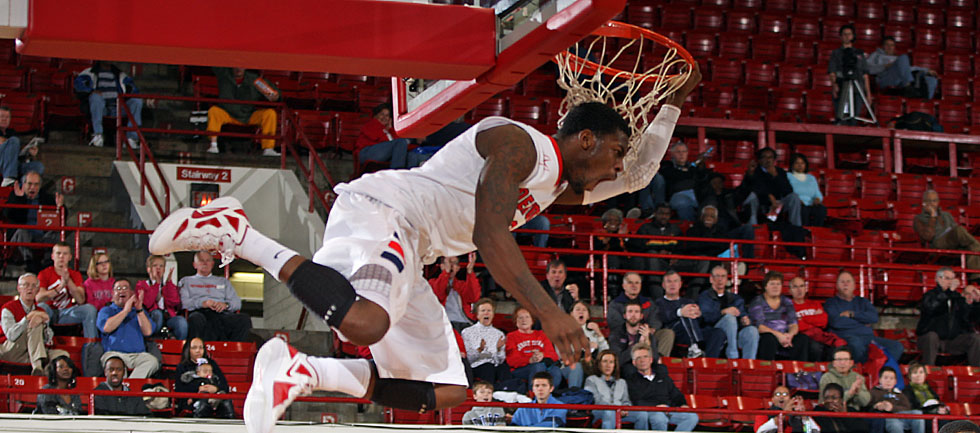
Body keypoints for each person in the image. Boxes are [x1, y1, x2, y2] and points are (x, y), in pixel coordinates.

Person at [148, 66, 700, 433]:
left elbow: (639, 173)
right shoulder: (517, 143)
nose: (617, 165)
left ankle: (306, 372)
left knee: (446, 390)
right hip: (384, 211)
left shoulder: (559, 179)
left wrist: (672, 101)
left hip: (417, 245)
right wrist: (552, 313)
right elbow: (489, 236)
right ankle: (239, 234)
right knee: (364, 324)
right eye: (614, 151)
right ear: (586, 139)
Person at [824, 270, 904, 363]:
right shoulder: (831, 303)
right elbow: (836, 322)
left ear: (854, 285)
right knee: (856, 344)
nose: (845, 284)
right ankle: (859, 372)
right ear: (837, 286)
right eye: (842, 282)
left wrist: (852, 314)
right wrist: (862, 322)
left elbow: (874, 318)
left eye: (848, 281)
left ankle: (882, 373)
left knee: (897, 346)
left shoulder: (863, 302)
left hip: (868, 338)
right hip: (846, 337)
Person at [0, 273, 66, 375]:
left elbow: (47, 340)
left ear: (37, 290)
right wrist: (28, 318)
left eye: (34, 286)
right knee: (35, 323)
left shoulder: (40, 311)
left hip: (30, 353)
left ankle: (42, 373)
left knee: (62, 355)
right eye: (25, 285)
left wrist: (45, 325)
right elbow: (11, 335)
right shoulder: (8, 309)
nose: (30, 288)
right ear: (19, 288)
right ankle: (38, 367)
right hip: (10, 350)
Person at [178, 251, 252, 342]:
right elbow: (184, 303)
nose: (205, 263)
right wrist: (202, 303)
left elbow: (237, 303)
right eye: (201, 260)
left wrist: (226, 305)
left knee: (244, 319)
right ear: (194, 264)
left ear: (212, 264)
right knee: (196, 319)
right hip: (200, 312)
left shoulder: (223, 282)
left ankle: (231, 348)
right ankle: (199, 349)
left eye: (208, 260)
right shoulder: (186, 281)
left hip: (221, 313)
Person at [206, 67, 280, 156]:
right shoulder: (224, 74)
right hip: (228, 114)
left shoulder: (255, 80)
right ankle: (213, 145)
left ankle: (268, 148)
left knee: (270, 113)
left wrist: (274, 96)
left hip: (248, 115)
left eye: (241, 67)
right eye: (236, 67)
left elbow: (274, 96)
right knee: (214, 111)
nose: (238, 69)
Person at [625, 343, 699, 431]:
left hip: (668, 409)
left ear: (651, 359)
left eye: (645, 357)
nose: (642, 360)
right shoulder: (631, 381)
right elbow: (637, 402)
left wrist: (683, 404)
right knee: (659, 418)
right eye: (638, 358)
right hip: (650, 411)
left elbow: (676, 394)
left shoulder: (663, 377)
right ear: (634, 362)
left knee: (692, 417)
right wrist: (657, 406)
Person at [96, 279, 159, 379]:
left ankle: (129, 388)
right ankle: (125, 389)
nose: (122, 291)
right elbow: (106, 328)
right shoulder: (106, 311)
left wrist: (139, 310)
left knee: (152, 361)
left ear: (131, 293)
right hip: (114, 354)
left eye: (125, 288)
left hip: (137, 355)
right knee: (115, 364)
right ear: (113, 294)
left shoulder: (139, 312)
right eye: (118, 289)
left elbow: (148, 332)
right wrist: (125, 311)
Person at [917, 267, 980, 366]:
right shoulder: (929, 295)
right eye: (947, 278)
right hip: (931, 340)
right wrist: (948, 292)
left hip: (952, 341)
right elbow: (932, 308)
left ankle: (976, 374)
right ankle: (928, 370)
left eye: (952, 279)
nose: (950, 282)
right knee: (931, 337)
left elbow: (970, 317)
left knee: (975, 338)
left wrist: (977, 302)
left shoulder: (957, 298)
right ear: (937, 279)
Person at [656, 270, 726, 358]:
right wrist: (680, 312)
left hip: (695, 331)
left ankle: (709, 361)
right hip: (675, 332)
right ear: (663, 285)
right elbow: (664, 317)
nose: (672, 284)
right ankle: (695, 345)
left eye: (675, 281)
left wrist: (699, 314)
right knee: (686, 315)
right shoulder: (659, 302)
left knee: (718, 332)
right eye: (669, 281)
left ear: (680, 284)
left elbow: (700, 321)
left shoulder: (689, 301)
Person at [73, 61, 142, 149]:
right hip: (101, 108)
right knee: (95, 97)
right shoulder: (89, 72)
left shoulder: (120, 75)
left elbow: (133, 89)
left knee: (136, 101)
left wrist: (128, 92)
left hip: (118, 107)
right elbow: (78, 84)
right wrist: (91, 91)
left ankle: (131, 139)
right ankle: (98, 135)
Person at [4, 171, 64, 272]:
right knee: (22, 231)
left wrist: (60, 207)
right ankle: (29, 261)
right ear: (24, 184)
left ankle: (48, 262)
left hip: (41, 235)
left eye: (36, 184)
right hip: (21, 236)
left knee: (55, 233)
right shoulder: (15, 196)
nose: (33, 187)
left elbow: (59, 219)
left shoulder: (47, 198)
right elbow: (8, 215)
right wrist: (19, 199)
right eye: (30, 184)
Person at [606, 272, 675, 358]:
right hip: (626, 336)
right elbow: (615, 324)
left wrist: (651, 329)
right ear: (624, 286)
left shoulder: (648, 302)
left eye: (637, 283)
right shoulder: (615, 304)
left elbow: (656, 319)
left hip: (648, 334)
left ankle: (658, 360)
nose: (634, 285)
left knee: (667, 334)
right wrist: (636, 331)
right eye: (630, 282)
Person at [37, 243, 98, 339]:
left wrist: (68, 280)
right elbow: (39, 298)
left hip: (68, 312)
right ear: (52, 256)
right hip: (50, 312)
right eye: (58, 253)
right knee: (41, 307)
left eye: (65, 254)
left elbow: (80, 300)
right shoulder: (44, 274)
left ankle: (91, 347)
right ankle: (42, 344)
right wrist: (59, 287)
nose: (61, 257)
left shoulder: (75, 275)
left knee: (90, 309)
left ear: (70, 257)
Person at [698, 265, 759, 360]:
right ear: (711, 279)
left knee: (752, 331)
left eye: (723, 276)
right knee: (729, 318)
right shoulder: (705, 296)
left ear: (727, 279)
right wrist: (723, 312)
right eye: (717, 276)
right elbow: (706, 317)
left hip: (735, 333)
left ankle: (749, 364)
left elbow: (742, 313)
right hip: (713, 330)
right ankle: (732, 355)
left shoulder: (735, 298)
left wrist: (745, 320)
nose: (720, 279)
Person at [914, 190, 980, 276]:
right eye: (929, 201)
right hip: (937, 243)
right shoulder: (919, 218)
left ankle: (975, 277)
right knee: (960, 230)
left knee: (972, 248)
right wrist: (932, 217)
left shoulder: (946, 215)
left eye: (934, 201)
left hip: (952, 243)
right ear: (924, 203)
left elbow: (955, 231)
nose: (932, 203)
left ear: (938, 202)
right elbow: (928, 237)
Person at [749, 271, 811, 361]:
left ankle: (797, 372)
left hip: (785, 336)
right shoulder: (757, 302)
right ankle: (767, 370)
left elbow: (793, 324)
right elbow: (759, 326)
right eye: (772, 284)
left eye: (778, 284)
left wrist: (790, 335)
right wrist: (779, 335)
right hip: (768, 335)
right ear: (765, 286)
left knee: (802, 339)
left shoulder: (786, 301)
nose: (775, 287)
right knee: (768, 339)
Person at [790, 276, 847, 362]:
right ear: (790, 290)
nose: (799, 290)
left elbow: (823, 321)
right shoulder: (788, 306)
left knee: (839, 347)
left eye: (802, 286)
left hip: (819, 335)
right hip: (802, 338)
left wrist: (803, 318)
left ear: (806, 289)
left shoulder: (815, 303)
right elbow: (797, 326)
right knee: (815, 347)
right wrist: (814, 319)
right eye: (795, 287)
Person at [742, 147, 803, 227]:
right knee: (752, 196)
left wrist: (776, 176)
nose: (768, 160)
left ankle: (796, 227)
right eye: (764, 157)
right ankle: (754, 226)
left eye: (770, 157)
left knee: (794, 197)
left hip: (778, 203)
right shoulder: (755, 171)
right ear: (759, 160)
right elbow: (754, 188)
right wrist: (769, 196)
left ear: (774, 160)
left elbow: (788, 190)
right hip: (760, 201)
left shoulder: (780, 172)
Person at [505, 307, 562, 389]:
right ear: (515, 321)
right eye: (520, 317)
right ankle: (533, 396)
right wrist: (530, 360)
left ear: (532, 320)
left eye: (527, 317)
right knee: (538, 366)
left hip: (543, 366)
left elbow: (554, 356)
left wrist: (542, 355)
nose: (524, 320)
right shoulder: (511, 336)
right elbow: (512, 360)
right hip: (521, 369)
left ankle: (548, 396)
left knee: (555, 370)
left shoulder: (542, 334)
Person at [654, 141, 711, 221]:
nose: (682, 154)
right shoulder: (667, 165)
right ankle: (690, 227)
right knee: (683, 202)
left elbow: (702, 179)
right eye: (678, 152)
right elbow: (677, 175)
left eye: (684, 151)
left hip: (696, 195)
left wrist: (700, 167)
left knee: (710, 203)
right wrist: (691, 170)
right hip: (677, 195)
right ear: (672, 154)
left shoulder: (692, 167)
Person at [867, 36, 938, 99]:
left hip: (900, 80)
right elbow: (867, 69)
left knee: (931, 79)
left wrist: (926, 70)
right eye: (887, 45)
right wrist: (885, 66)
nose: (889, 47)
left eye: (892, 45)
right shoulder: (876, 55)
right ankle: (908, 86)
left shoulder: (897, 58)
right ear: (883, 46)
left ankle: (925, 102)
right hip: (884, 79)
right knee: (904, 57)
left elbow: (908, 68)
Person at [828, 24, 872, 125]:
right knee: (842, 116)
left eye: (849, 34)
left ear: (853, 36)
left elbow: (865, 74)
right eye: (844, 34)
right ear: (840, 36)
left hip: (857, 88)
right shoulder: (836, 53)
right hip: (842, 86)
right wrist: (834, 85)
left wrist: (868, 94)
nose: (847, 36)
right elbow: (832, 72)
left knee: (854, 118)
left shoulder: (859, 54)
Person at [175, 337, 231, 415]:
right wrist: (198, 388)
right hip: (192, 400)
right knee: (203, 405)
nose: (198, 351)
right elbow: (180, 389)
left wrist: (216, 388)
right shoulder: (182, 367)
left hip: (214, 398)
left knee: (227, 404)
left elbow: (224, 385)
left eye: (201, 347)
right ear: (188, 350)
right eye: (194, 348)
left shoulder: (212, 364)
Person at [585, 349, 639, 429]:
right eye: (605, 361)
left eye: (611, 362)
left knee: (642, 414)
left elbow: (626, 400)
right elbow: (596, 401)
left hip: (619, 412)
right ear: (599, 364)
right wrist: (616, 409)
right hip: (601, 411)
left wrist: (625, 408)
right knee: (609, 412)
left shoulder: (621, 382)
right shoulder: (591, 380)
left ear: (615, 365)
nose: (608, 365)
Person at [137, 255, 187, 340]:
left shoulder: (167, 285)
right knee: (157, 314)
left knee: (181, 322)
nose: (158, 268)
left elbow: (174, 302)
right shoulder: (141, 285)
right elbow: (147, 303)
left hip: (168, 316)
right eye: (155, 266)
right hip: (150, 317)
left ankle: (179, 347)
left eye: (161, 266)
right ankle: (153, 341)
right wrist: (156, 285)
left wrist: (169, 285)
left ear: (164, 269)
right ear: (148, 269)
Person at [461, 298, 509, 387]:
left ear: (493, 314)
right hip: (476, 366)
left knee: (504, 368)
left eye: (489, 311)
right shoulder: (467, 332)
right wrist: (479, 350)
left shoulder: (499, 334)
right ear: (477, 315)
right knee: (487, 367)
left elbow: (500, 360)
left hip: (494, 366)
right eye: (483, 310)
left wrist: (498, 350)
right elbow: (469, 360)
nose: (486, 313)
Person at [633, 204, 682, 291]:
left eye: (667, 214)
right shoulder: (645, 228)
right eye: (661, 213)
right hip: (649, 262)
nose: (664, 216)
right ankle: (657, 293)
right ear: (655, 214)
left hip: (669, 262)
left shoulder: (675, 229)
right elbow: (638, 246)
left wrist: (675, 255)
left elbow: (681, 247)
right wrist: (658, 252)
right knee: (652, 255)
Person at [684, 205, 755, 262]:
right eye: (706, 216)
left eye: (712, 216)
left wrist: (709, 244)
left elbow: (722, 246)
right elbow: (692, 247)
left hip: (718, 259)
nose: (708, 218)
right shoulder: (693, 230)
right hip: (700, 260)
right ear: (701, 217)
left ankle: (747, 262)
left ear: (716, 220)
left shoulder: (720, 230)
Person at [355, 103, 416, 169]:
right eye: (382, 114)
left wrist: (390, 129)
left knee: (411, 156)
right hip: (366, 152)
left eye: (387, 115)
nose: (384, 117)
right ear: (376, 116)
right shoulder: (371, 124)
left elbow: (399, 145)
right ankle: (395, 174)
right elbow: (381, 139)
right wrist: (386, 130)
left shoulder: (388, 130)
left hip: (383, 153)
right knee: (400, 142)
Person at [430, 253, 480, 333]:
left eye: (454, 263)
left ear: (458, 268)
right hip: (444, 323)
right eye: (448, 263)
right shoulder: (432, 283)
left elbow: (474, 297)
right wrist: (446, 273)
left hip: (465, 323)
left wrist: (470, 271)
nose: (451, 266)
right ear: (441, 266)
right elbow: (439, 294)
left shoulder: (461, 285)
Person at [870, 366, 925, 433]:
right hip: (887, 418)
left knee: (918, 413)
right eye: (886, 378)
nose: (888, 381)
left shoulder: (899, 394)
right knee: (895, 424)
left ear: (895, 381)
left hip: (901, 416)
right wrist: (876, 406)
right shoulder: (873, 392)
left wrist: (892, 408)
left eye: (891, 378)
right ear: (880, 380)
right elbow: (866, 407)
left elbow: (907, 408)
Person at [609, 299, 659, 373]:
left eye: (636, 312)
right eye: (630, 311)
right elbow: (618, 360)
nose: (633, 315)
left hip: (645, 366)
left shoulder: (646, 333)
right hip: (626, 368)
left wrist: (647, 342)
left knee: (662, 369)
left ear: (641, 316)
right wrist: (637, 345)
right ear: (624, 315)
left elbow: (655, 359)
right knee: (630, 370)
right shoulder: (616, 334)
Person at [819, 346, 871, 412]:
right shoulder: (827, 377)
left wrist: (858, 392)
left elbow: (865, 403)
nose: (842, 363)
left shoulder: (858, 377)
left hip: (854, 412)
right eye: (839, 360)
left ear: (851, 363)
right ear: (834, 363)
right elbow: (827, 402)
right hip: (833, 412)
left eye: (846, 359)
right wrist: (850, 392)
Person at [754, 385, 819, 433]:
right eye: (778, 394)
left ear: (791, 399)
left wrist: (804, 415)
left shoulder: (797, 415)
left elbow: (815, 431)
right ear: (772, 399)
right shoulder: (763, 414)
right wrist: (784, 413)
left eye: (785, 394)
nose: (781, 396)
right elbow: (760, 431)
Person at [786, 153, 826, 227]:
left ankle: (816, 232)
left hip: (811, 204)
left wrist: (817, 199)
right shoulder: (788, 176)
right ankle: (803, 232)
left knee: (821, 209)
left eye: (802, 163)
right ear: (792, 165)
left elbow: (817, 193)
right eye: (797, 163)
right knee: (803, 210)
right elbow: (787, 191)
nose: (800, 165)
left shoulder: (811, 178)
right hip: (797, 204)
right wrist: (798, 201)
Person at [0, 106, 21, 186]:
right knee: (14, 140)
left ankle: (27, 188)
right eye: (2, 116)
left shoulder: (12, 132)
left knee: (37, 166)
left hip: (12, 163)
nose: (4, 119)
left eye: (7, 117)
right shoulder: (13, 139)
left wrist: (29, 151)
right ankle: (8, 178)